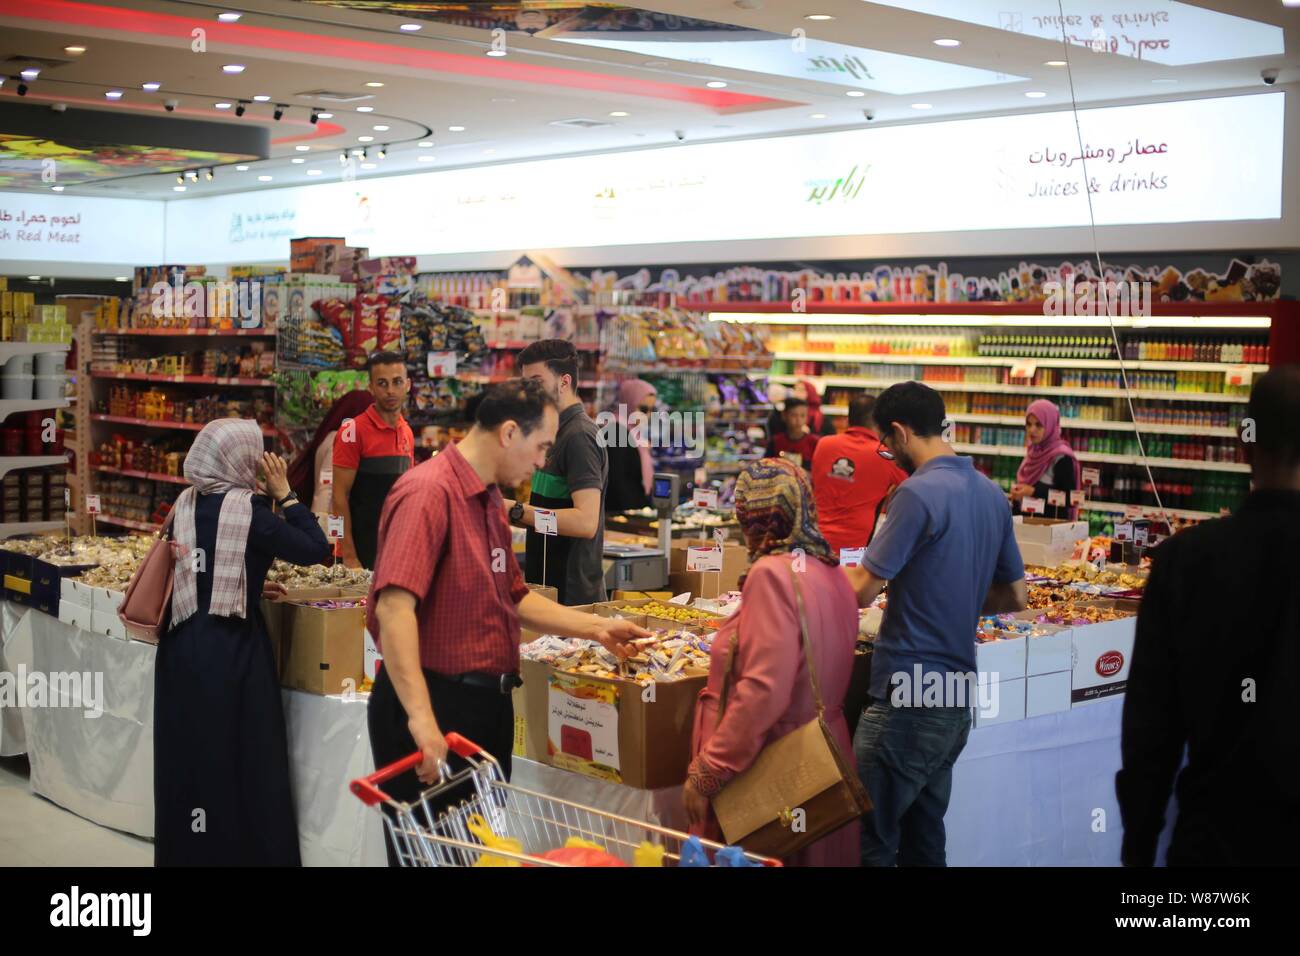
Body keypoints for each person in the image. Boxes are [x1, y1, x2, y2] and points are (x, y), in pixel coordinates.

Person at [366, 380, 649, 865]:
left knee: (481, 854)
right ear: (509, 432)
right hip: (435, 704)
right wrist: (422, 719)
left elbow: (513, 594)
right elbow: (394, 608)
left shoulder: (489, 500)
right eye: (541, 447)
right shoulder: (428, 492)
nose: (542, 462)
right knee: (432, 856)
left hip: (483, 708)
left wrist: (597, 628)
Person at [1117, 365, 1300, 866]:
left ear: (1244, 445)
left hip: (1215, 837)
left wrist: (1138, 846)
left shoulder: (1186, 559)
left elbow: (1150, 728)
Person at [841, 381, 1027, 867]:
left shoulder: (916, 494)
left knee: (867, 838)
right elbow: (1015, 596)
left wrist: (800, 585)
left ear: (900, 433)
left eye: (885, 444)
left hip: (907, 695)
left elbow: (862, 587)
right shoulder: (990, 494)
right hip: (955, 696)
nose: (888, 454)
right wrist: (952, 601)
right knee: (924, 837)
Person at [154, 419, 332, 866]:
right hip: (233, 651)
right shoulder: (251, 510)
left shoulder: (184, 503)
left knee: (191, 756)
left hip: (181, 646)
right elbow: (315, 549)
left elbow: (200, 567)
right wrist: (286, 493)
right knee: (247, 757)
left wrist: (249, 581)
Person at [683, 457, 859, 866]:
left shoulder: (771, 575)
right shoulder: (832, 572)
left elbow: (764, 690)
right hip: (824, 761)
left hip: (772, 769)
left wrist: (709, 770)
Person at [506, 339, 608, 605]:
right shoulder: (554, 432)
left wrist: (516, 511)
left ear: (564, 382)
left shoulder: (580, 436)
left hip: (572, 595)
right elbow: (550, 510)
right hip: (549, 587)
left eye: (537, 382)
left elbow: (585, 523)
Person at [332, 352, 414, 569]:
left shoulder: (406, 432)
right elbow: (338, 497)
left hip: (395, 549)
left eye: (397, 382)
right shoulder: (353, 431)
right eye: (382, 383)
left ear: (407, 385)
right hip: (360, 551)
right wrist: (348, 555)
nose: (390, 390)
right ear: (370, 387)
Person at [811, 392, 908, 556]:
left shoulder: (823, 444)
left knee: (816, 582)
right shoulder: (885, 456)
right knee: (849, 582)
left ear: (848, 418)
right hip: (854, 548)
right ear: (878, 421)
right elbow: (914, 486)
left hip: (815, 541)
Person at [286, 389, 374, 514]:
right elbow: (327, 492)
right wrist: (327, 531)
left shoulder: (334, 437)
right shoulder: (341, 441)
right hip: (330, 523)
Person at [1009, 399, 1080, 519]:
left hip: (1052, 528)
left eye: (1038, 425)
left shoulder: (1061, 457)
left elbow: (1069, 498)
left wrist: (1033, 492)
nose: (1032, 430)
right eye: (1029, 424)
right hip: (1028, 526)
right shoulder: (1032, 452)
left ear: (1050, 425)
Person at [603, 378, 656, 514]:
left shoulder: (632, 432)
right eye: (643, 409)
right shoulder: (615, 431)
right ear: (629, 403)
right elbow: (616, 482)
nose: (648, 415)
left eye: (652, 410)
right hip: (620, 514)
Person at [765, 397, 819, 469]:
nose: (798, 420)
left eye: (802, 415)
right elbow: (766, 466)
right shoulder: (776, 441)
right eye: (794, 415)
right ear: (784, 415)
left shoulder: (814, 442)